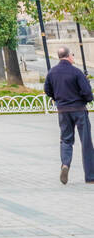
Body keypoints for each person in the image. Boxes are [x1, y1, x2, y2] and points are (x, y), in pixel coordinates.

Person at [43, 47, 94, 185]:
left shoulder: (52, 72)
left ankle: (65, 164)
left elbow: (47, 90)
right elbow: (87, 94)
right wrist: (86, 98)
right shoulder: (76, 72)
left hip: (63, 110)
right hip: (79, 109)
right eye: (72, 54)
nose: (73, 56)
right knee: (86, 142)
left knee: (66, 140)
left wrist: (58, 99)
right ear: (68, 56)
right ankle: (90, 177)